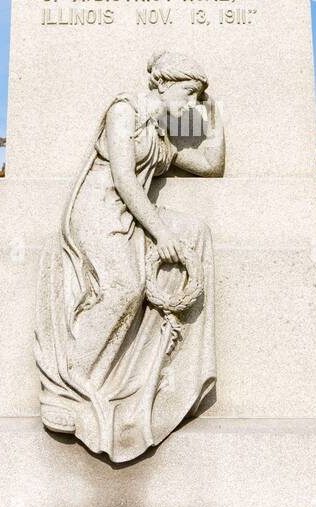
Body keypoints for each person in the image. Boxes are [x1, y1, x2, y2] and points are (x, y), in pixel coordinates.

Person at [35, 50, 225, 463]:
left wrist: (213, 111)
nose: (190, 104)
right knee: (125, 286)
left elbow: (211, 164)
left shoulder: (162, 133)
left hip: (132, 215)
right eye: (189, 93)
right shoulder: (124, 111)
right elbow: (123, 179)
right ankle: (68, 388)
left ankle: (156, 376)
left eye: (196, 97)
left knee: (195, 231)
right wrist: (160, 232)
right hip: (97, 210)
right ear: (163, 83)